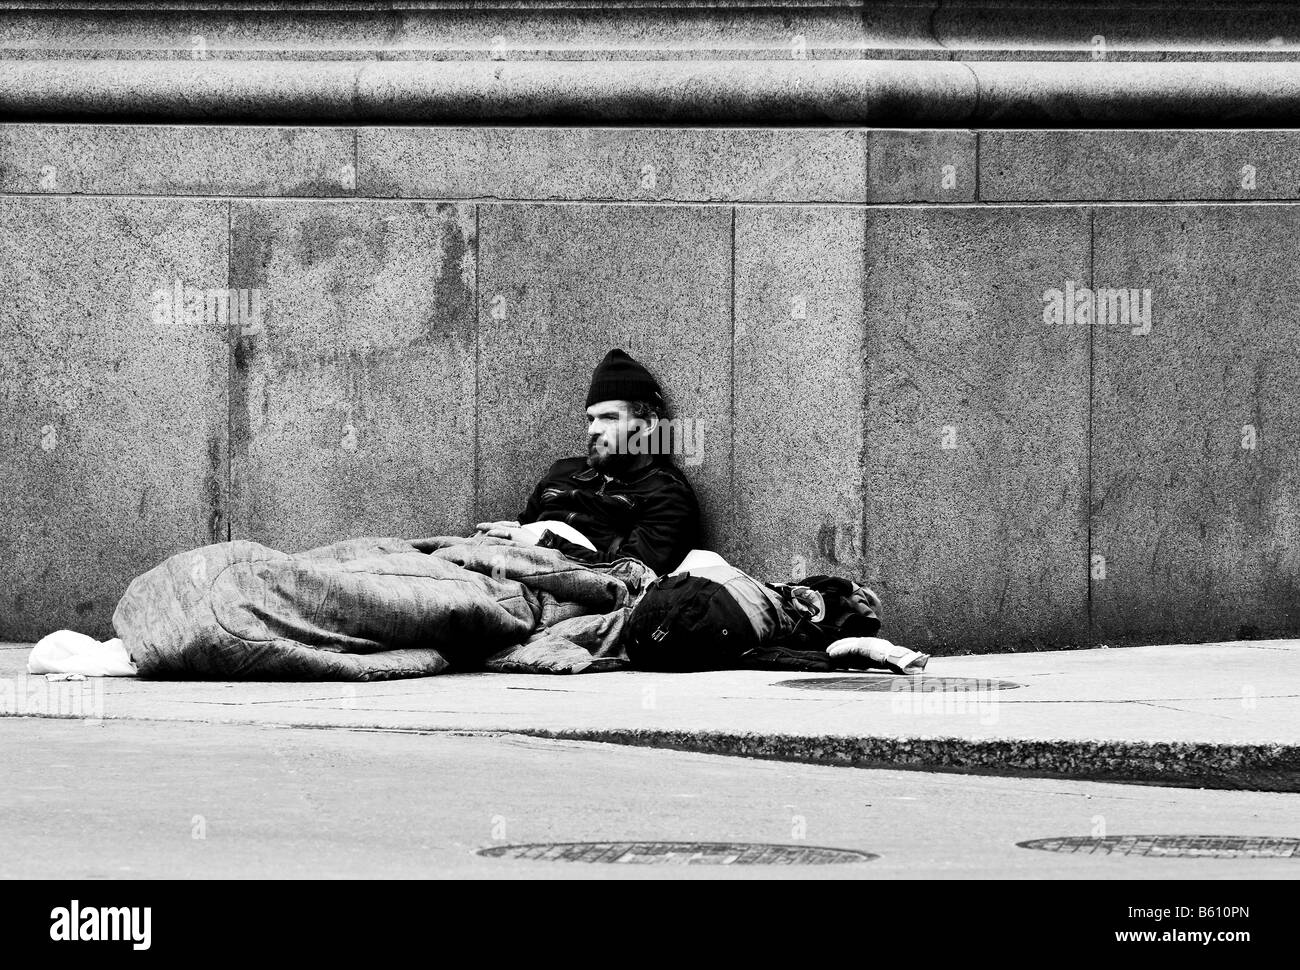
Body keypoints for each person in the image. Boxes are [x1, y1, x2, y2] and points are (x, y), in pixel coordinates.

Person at [475, 348, 702, 576]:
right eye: (591, 418)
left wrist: (544, 544)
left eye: (610, 417)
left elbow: (632, 573)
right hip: (502, 566)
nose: (593, 429)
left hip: (563, 586)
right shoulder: (562, 471)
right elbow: (520, 529)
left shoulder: (667, 494)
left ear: (648, 425)